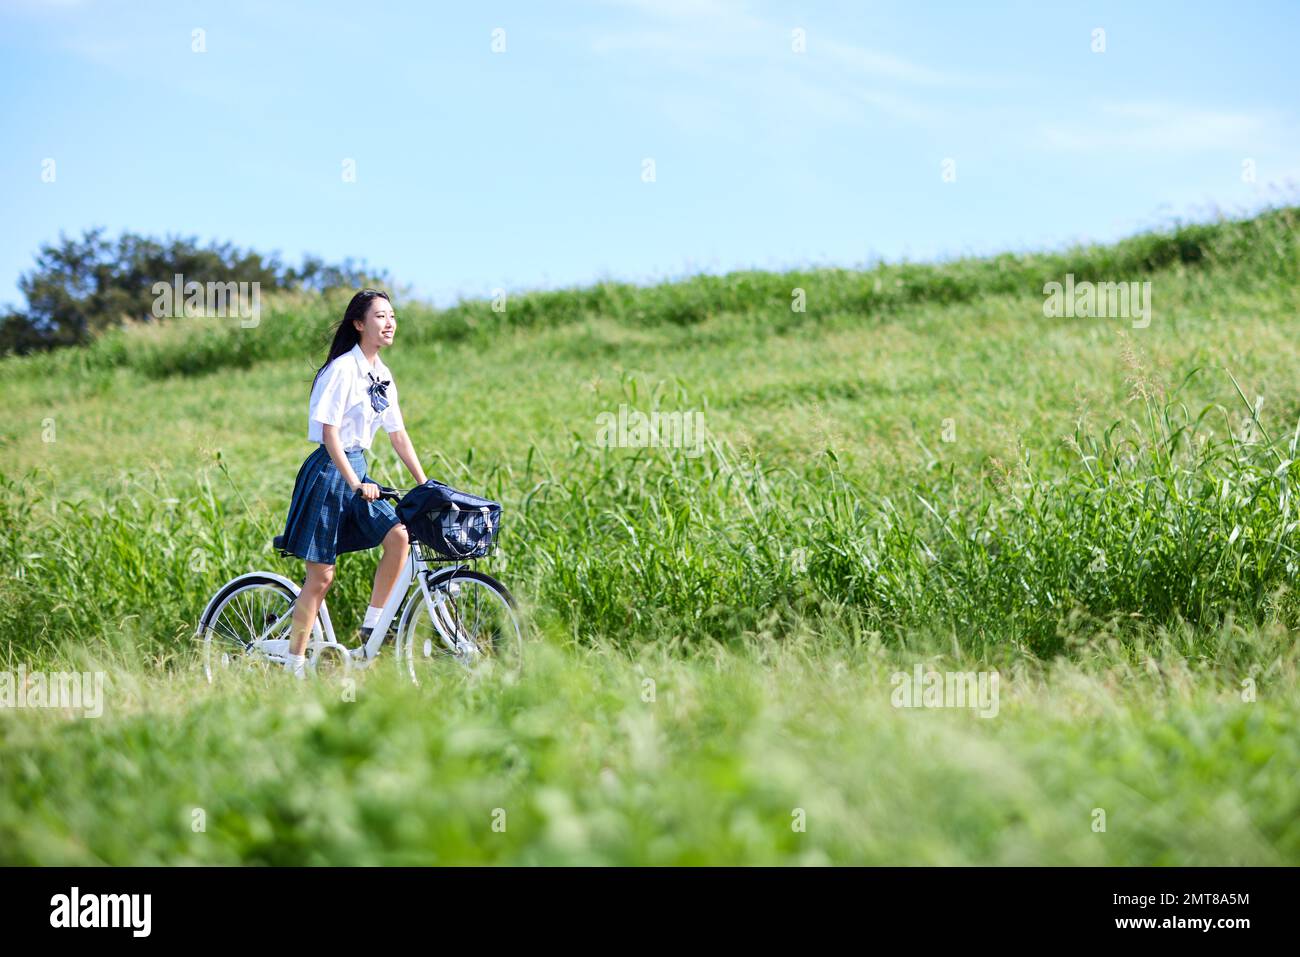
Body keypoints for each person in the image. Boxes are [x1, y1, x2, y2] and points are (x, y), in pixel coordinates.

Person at [276, 289, 427, 677]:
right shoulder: (342, 370)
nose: (389, 323)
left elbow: (398, 435)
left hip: (356, 469)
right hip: (329, 471)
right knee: (321, 577)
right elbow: (329, 434)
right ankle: (294, 664)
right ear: (359, 324)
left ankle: (372, 627)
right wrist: (355, 482)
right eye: (380, 316)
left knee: (399, 537)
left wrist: (426, 484)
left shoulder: (382, 374)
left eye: (392, 315)